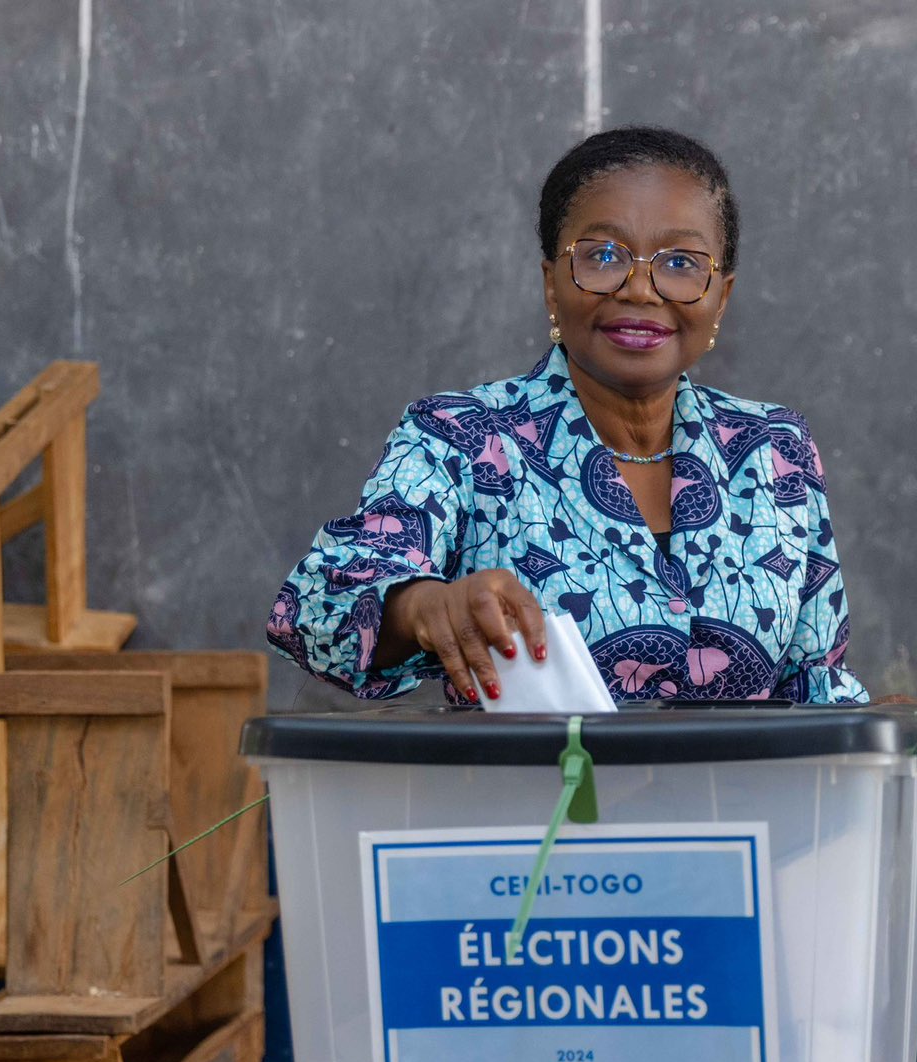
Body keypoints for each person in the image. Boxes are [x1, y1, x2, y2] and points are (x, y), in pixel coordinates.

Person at [267, 127, 867, 705]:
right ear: (552, 284)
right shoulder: (460, 439)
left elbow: (813, 685)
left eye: (681, 263)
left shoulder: (773, 448)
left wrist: (883, 725)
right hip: (537, 807)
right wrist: (424, 607)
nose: (641, 289)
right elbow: (319, 610)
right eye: (604, 255)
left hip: (743, 808)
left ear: (720, 297)